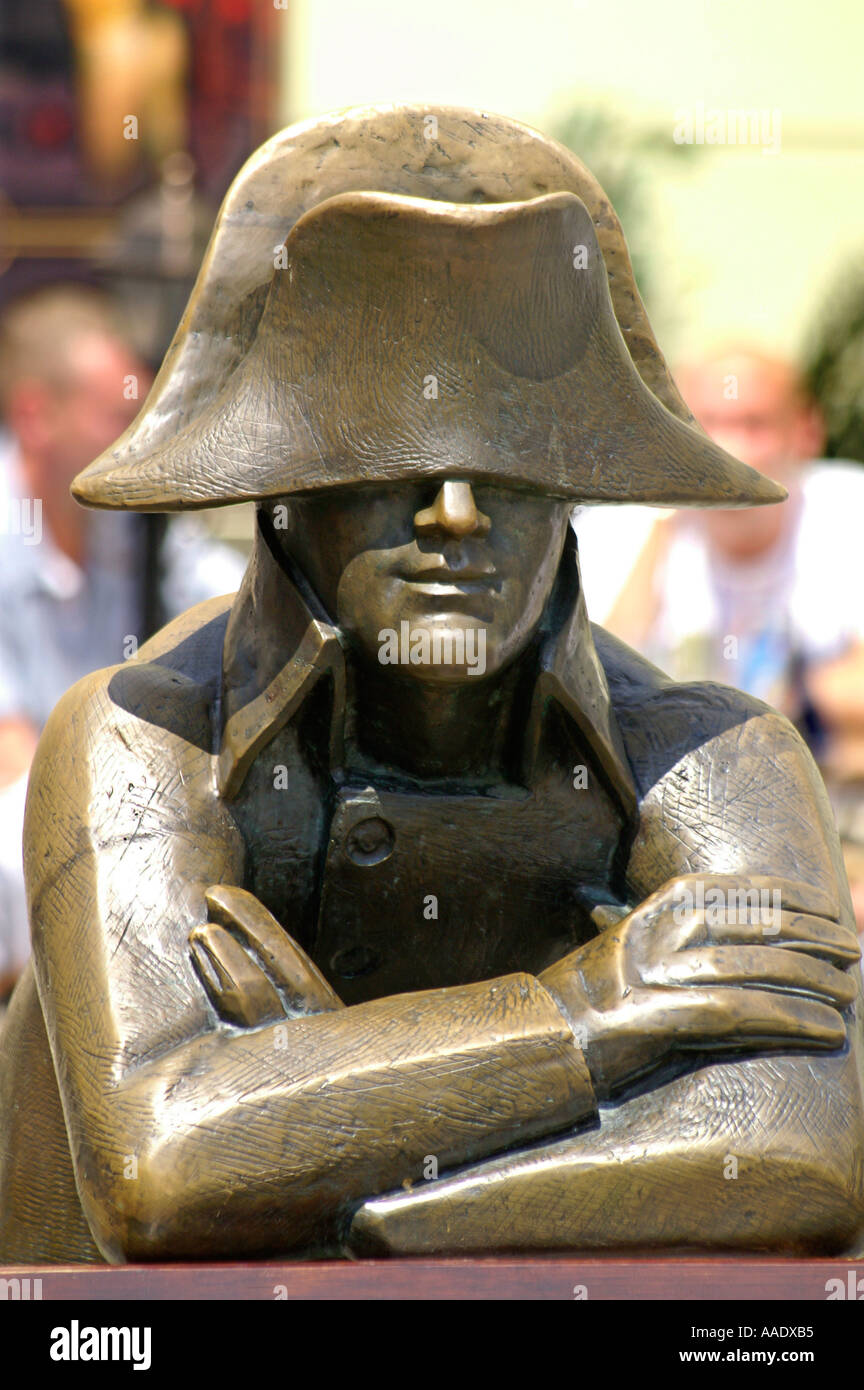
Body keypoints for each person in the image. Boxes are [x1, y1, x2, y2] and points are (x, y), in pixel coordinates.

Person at [0, 106, 861, 1263]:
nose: (454, 518)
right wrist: (593, 1013)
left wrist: (342, 1167)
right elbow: (159, 1162)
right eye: (394, 466)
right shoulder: (142, 737)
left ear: (569, 490)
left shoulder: (711, 757)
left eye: (503, 473)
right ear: (286, 490)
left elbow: (796, 1150)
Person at [0, 284, 246, 992]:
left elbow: (236, 602)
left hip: (106, 802)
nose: (135, 438)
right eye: (116, 415)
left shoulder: (135, 529)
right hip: (42, 813)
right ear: (35, 416)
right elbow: (12, 749)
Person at [577, 348, 864, 933]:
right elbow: (587, 699)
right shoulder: (619, 531)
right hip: (679, 820)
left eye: (753, 424)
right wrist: (661, 539)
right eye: (705, 426)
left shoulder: (847, 513)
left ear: (805, 431)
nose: (726, 449)